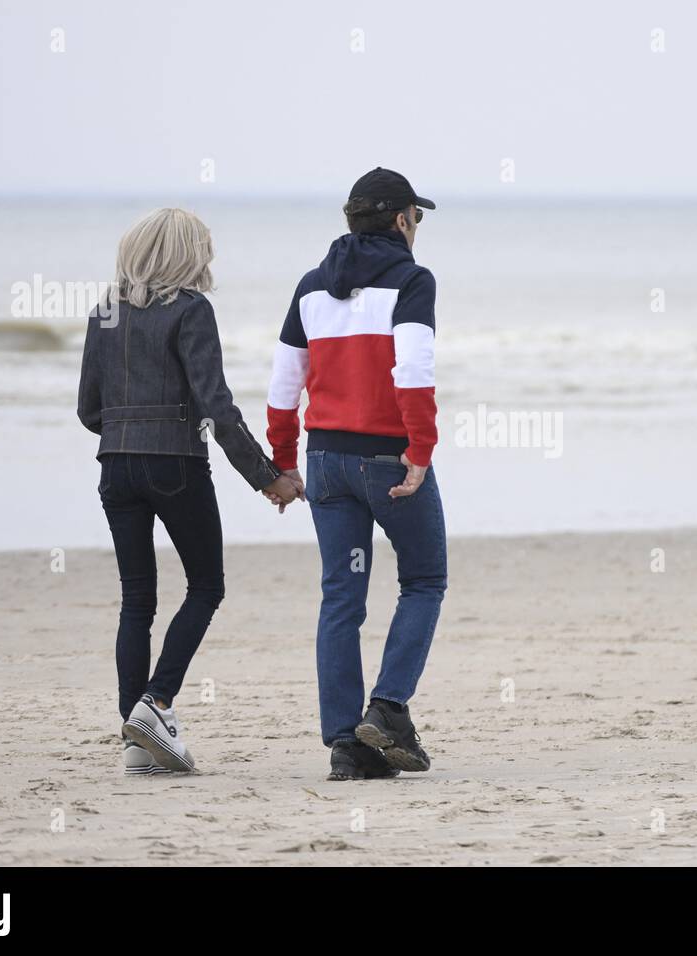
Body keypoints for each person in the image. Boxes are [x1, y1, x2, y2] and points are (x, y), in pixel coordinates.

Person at [78, 208, 302, 775]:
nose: (210, 261)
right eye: (205, 250)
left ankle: (136, 742)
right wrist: (269, 476)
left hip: (115, 465)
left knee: (137, 599)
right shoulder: (192, 310)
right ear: (186, 255)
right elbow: (217, 406)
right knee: (206, 586)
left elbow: (88, 409)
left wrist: (126, 430)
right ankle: (156, 703)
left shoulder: (105, 310)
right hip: (174, 463)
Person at [267, 168, 447, 781]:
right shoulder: (411, 280)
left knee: (341, 596)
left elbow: (283, 382)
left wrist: (284, 458)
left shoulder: (311, 286)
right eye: (415, 217)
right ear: (401, 220)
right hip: (387, 458)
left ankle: (347, 745)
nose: (416, 227)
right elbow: (413, 371)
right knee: (423, 581)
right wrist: (420, 448)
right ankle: (388, 710)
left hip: (325, 463)